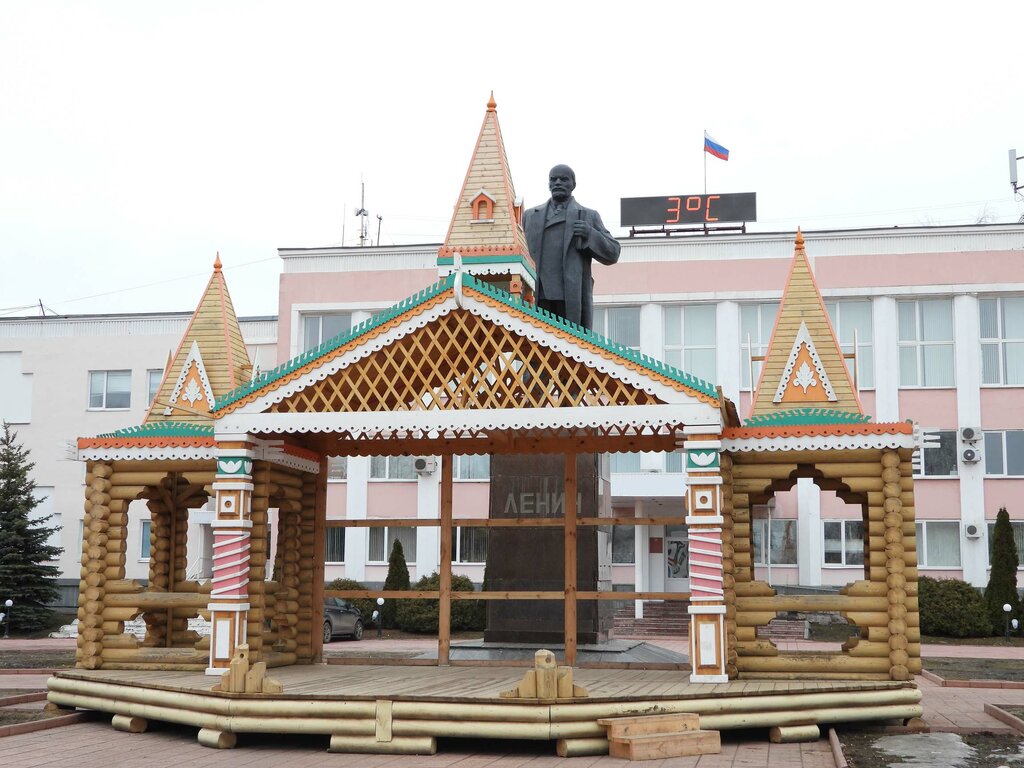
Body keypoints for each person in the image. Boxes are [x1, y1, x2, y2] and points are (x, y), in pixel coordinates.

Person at [523, 164, 620, 330]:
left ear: (573, 184)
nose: (558, 182)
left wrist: (590, 234)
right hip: (539, 293)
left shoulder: (588, 215)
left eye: (563, 179)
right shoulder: (530, 216)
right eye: (553, 179)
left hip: (571, 296)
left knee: (571, 341)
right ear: (548, 184)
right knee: (539, 341)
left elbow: (613, 252)